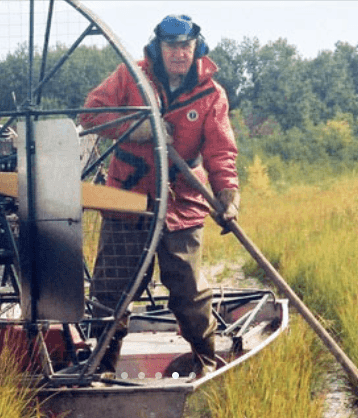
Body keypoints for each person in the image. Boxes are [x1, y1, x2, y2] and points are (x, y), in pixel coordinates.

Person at [80, 14, 241, 378]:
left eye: (186, 46)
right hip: (127, 202)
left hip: (182, 203)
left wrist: (228, 197)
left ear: (196, 47)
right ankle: (99, 368)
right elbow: (90, 115)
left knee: (188, 292)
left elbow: (221, 153)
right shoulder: (130, 76)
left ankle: (205, 362)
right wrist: (137, 128)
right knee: (112, 291)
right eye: (172, 47)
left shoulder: (212, 94)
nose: (179, 54)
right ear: (159, 48)